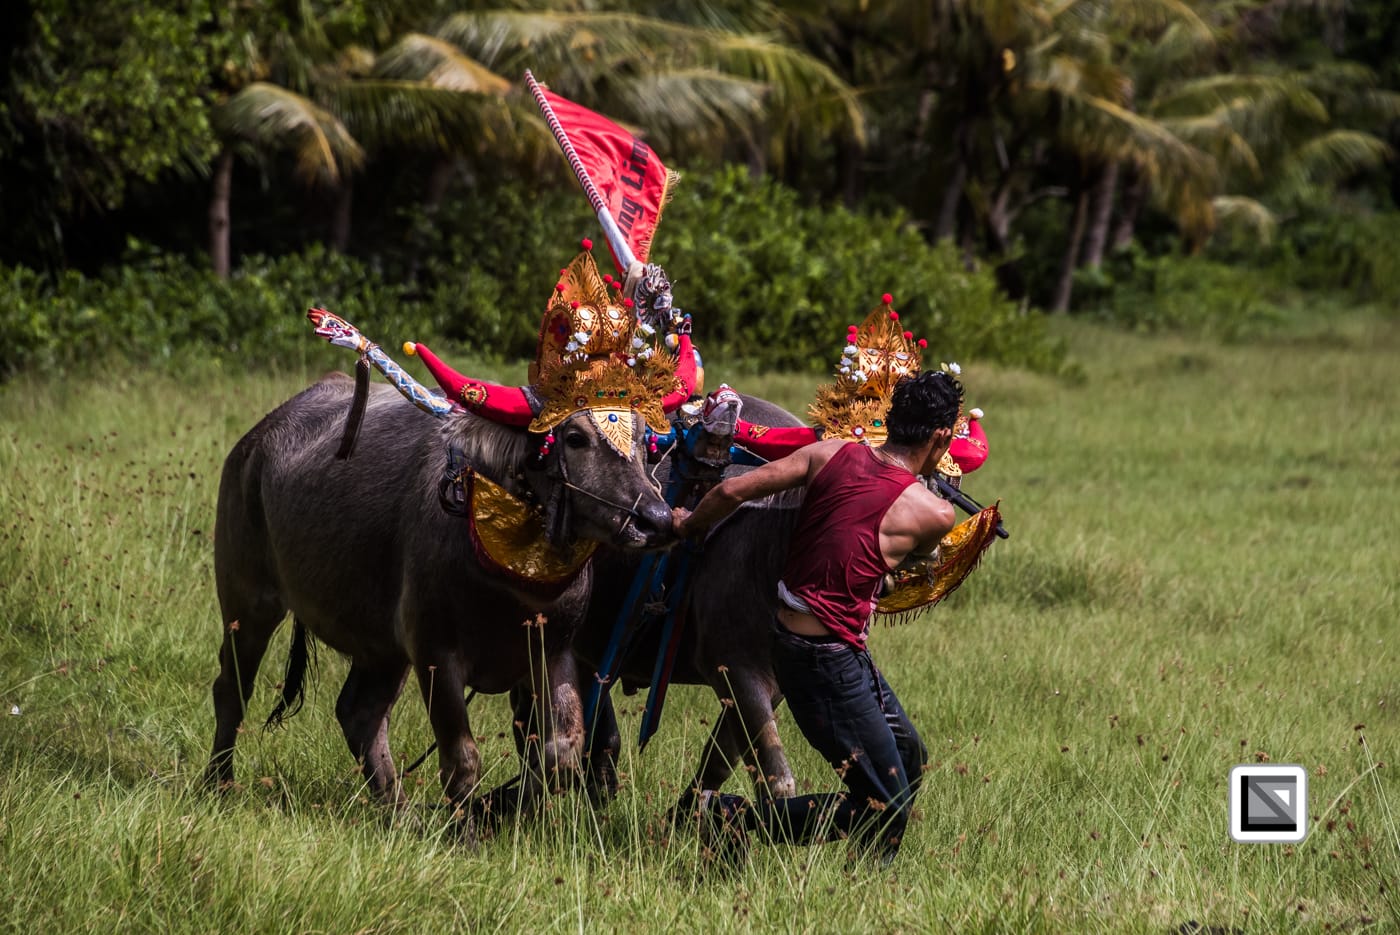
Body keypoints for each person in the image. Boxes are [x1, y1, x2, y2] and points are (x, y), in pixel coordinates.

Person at [672, 368, 965, 867]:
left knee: (908, 754)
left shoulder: (830, 453)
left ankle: (866, 871)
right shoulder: (934, 514)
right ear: (940, 436)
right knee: (884, 803)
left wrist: (687, 524)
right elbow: (906, 563)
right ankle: (729, 817)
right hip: (822, 661)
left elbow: (728, 493)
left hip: (818, 646)